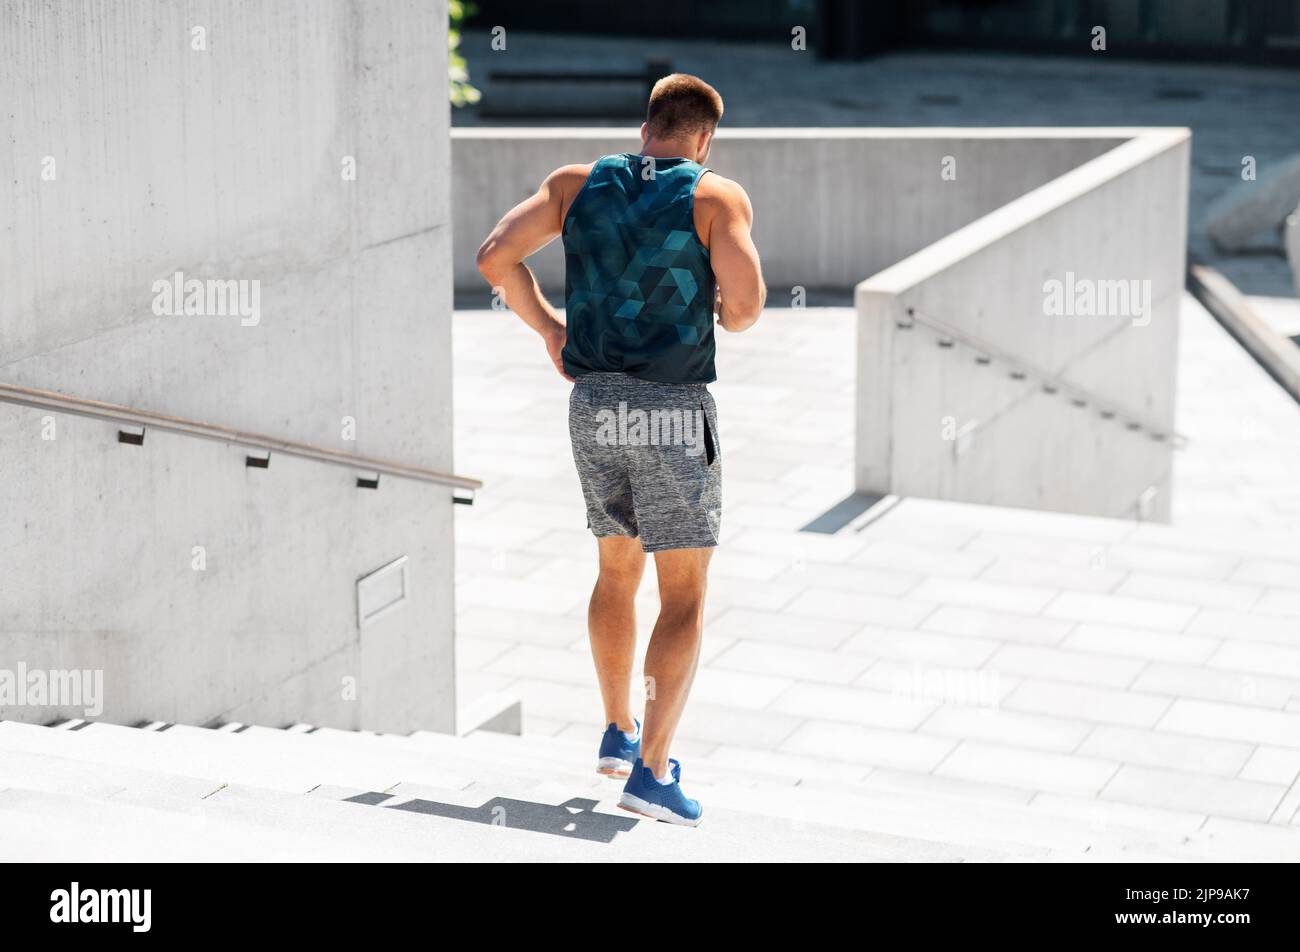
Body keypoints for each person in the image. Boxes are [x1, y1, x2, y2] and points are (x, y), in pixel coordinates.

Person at [476, 73, 765, 826]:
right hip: (672, 411)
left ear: (646, 127)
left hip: (594, 404)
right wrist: (719, 310)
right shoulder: (714, 196)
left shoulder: (576, 185)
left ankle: (617, 729)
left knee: (614, 567)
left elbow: (495, 257)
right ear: (704, 139)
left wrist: (550, 327)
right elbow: (747, 306)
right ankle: (653, 773)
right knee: (684, 594)